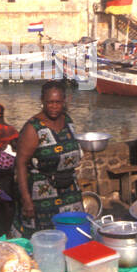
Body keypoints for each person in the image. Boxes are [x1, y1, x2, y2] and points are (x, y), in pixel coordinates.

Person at [15, 81, 84, 234]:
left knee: (74, 230)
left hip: (69, 189)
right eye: (50, 102)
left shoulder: (67, 121)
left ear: (64, 101)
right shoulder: (33, 128)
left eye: (58, 102)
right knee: (48, 236)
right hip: (43, 193)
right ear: (42, 101)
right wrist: (26, 199)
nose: (54, 106)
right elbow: (20, 163)